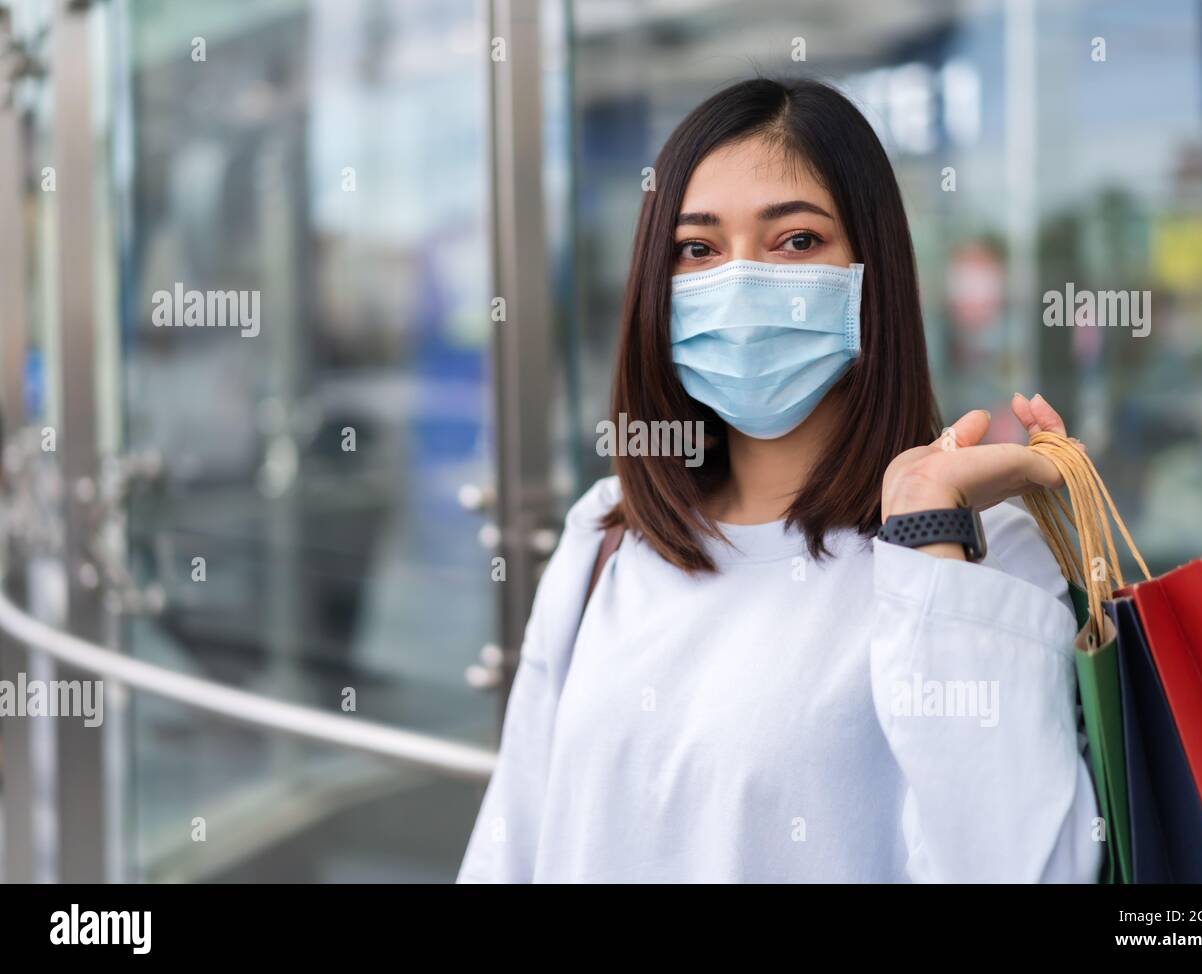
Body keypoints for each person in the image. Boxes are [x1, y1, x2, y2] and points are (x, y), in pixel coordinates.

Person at [458, 77, 1102, 883]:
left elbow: (1019, 870)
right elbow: (512, 846)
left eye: (796, 241)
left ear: (874, 268)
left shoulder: (985, 558)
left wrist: (928, 534)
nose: (740, 283)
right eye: (697, 249)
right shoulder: (606, 536)